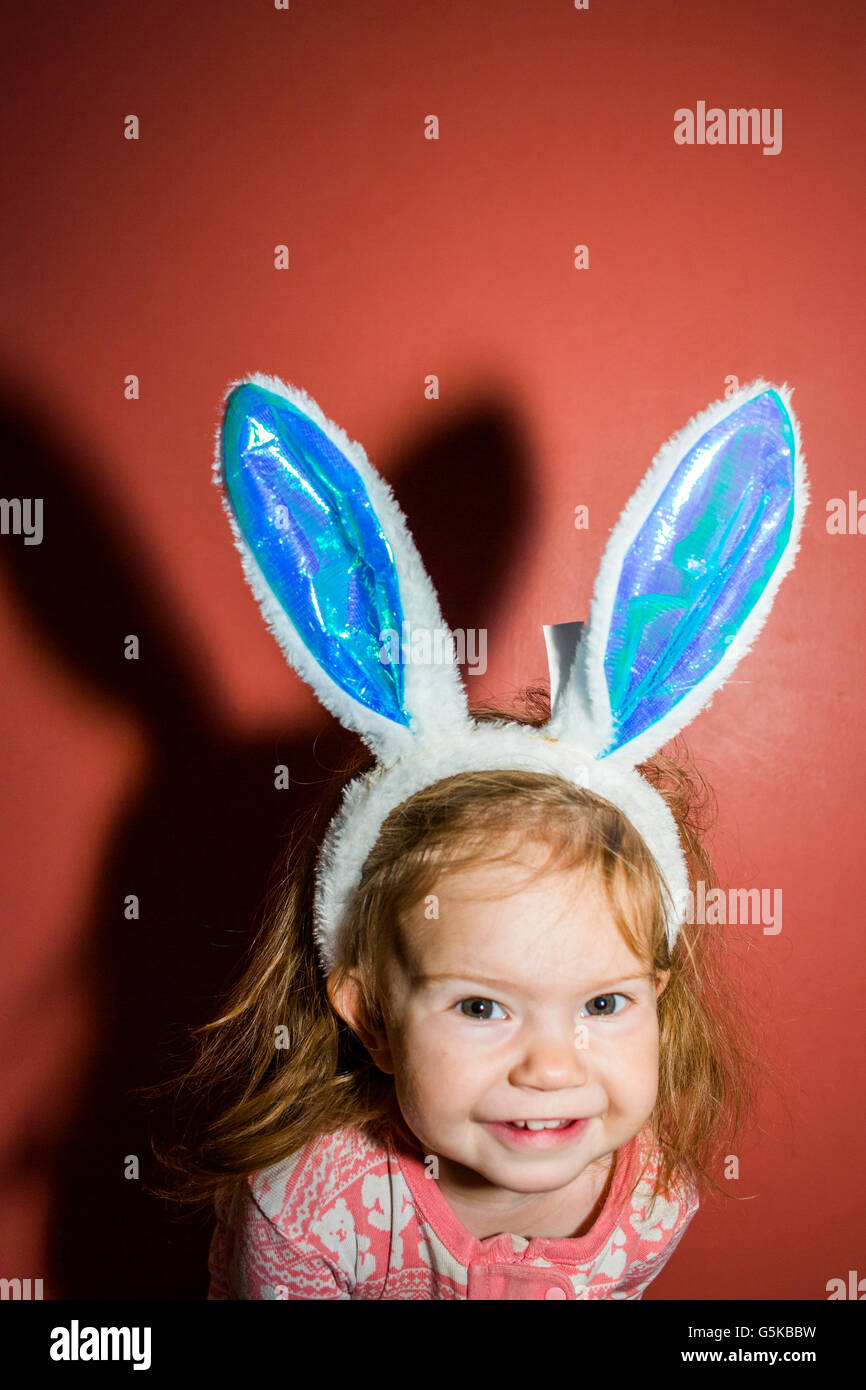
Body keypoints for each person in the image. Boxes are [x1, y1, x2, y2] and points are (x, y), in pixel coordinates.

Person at [149, 373, 807, 1299]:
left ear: (661, 995)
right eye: (482, 1007)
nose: (550, 1066)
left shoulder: (652, 1198)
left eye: (606, 1005)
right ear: (372, 1016)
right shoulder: (305, 1209)